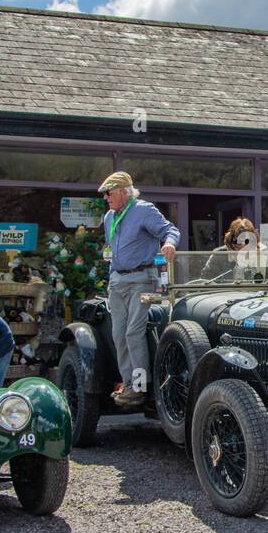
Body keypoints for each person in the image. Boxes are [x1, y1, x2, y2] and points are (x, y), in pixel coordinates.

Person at [99, 171, 179, 407]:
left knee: (133, 332)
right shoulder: (109, 218)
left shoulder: (144, 210)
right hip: (117, 281)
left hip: (141, 279)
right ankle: (129, 384)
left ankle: (140, 386)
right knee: (118, 334)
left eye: (109, 193)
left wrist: (170, 243)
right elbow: (111, 249)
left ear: (124, 192)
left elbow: (170, 230)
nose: (106, 197)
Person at [201, 217, 267, 279]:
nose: (243, 245)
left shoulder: (262, 252)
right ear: (230, 239)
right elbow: (206, 278)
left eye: (247, 241)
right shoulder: (220, 254)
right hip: (227, 291)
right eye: (239, 241)